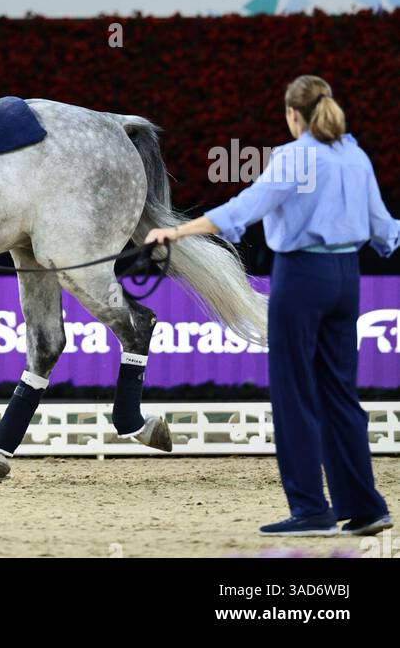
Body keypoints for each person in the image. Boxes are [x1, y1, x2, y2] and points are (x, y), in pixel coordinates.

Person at [145, 75, 399, 538]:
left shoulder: (294, 157)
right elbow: (384, 228)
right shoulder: (355, 155)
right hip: (347, 277)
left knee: (294, 392)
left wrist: (175, 232)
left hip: (302, 278)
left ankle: (311, 510)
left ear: (292, 114)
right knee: (340, 393)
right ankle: (366, 506)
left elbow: (244, 208)